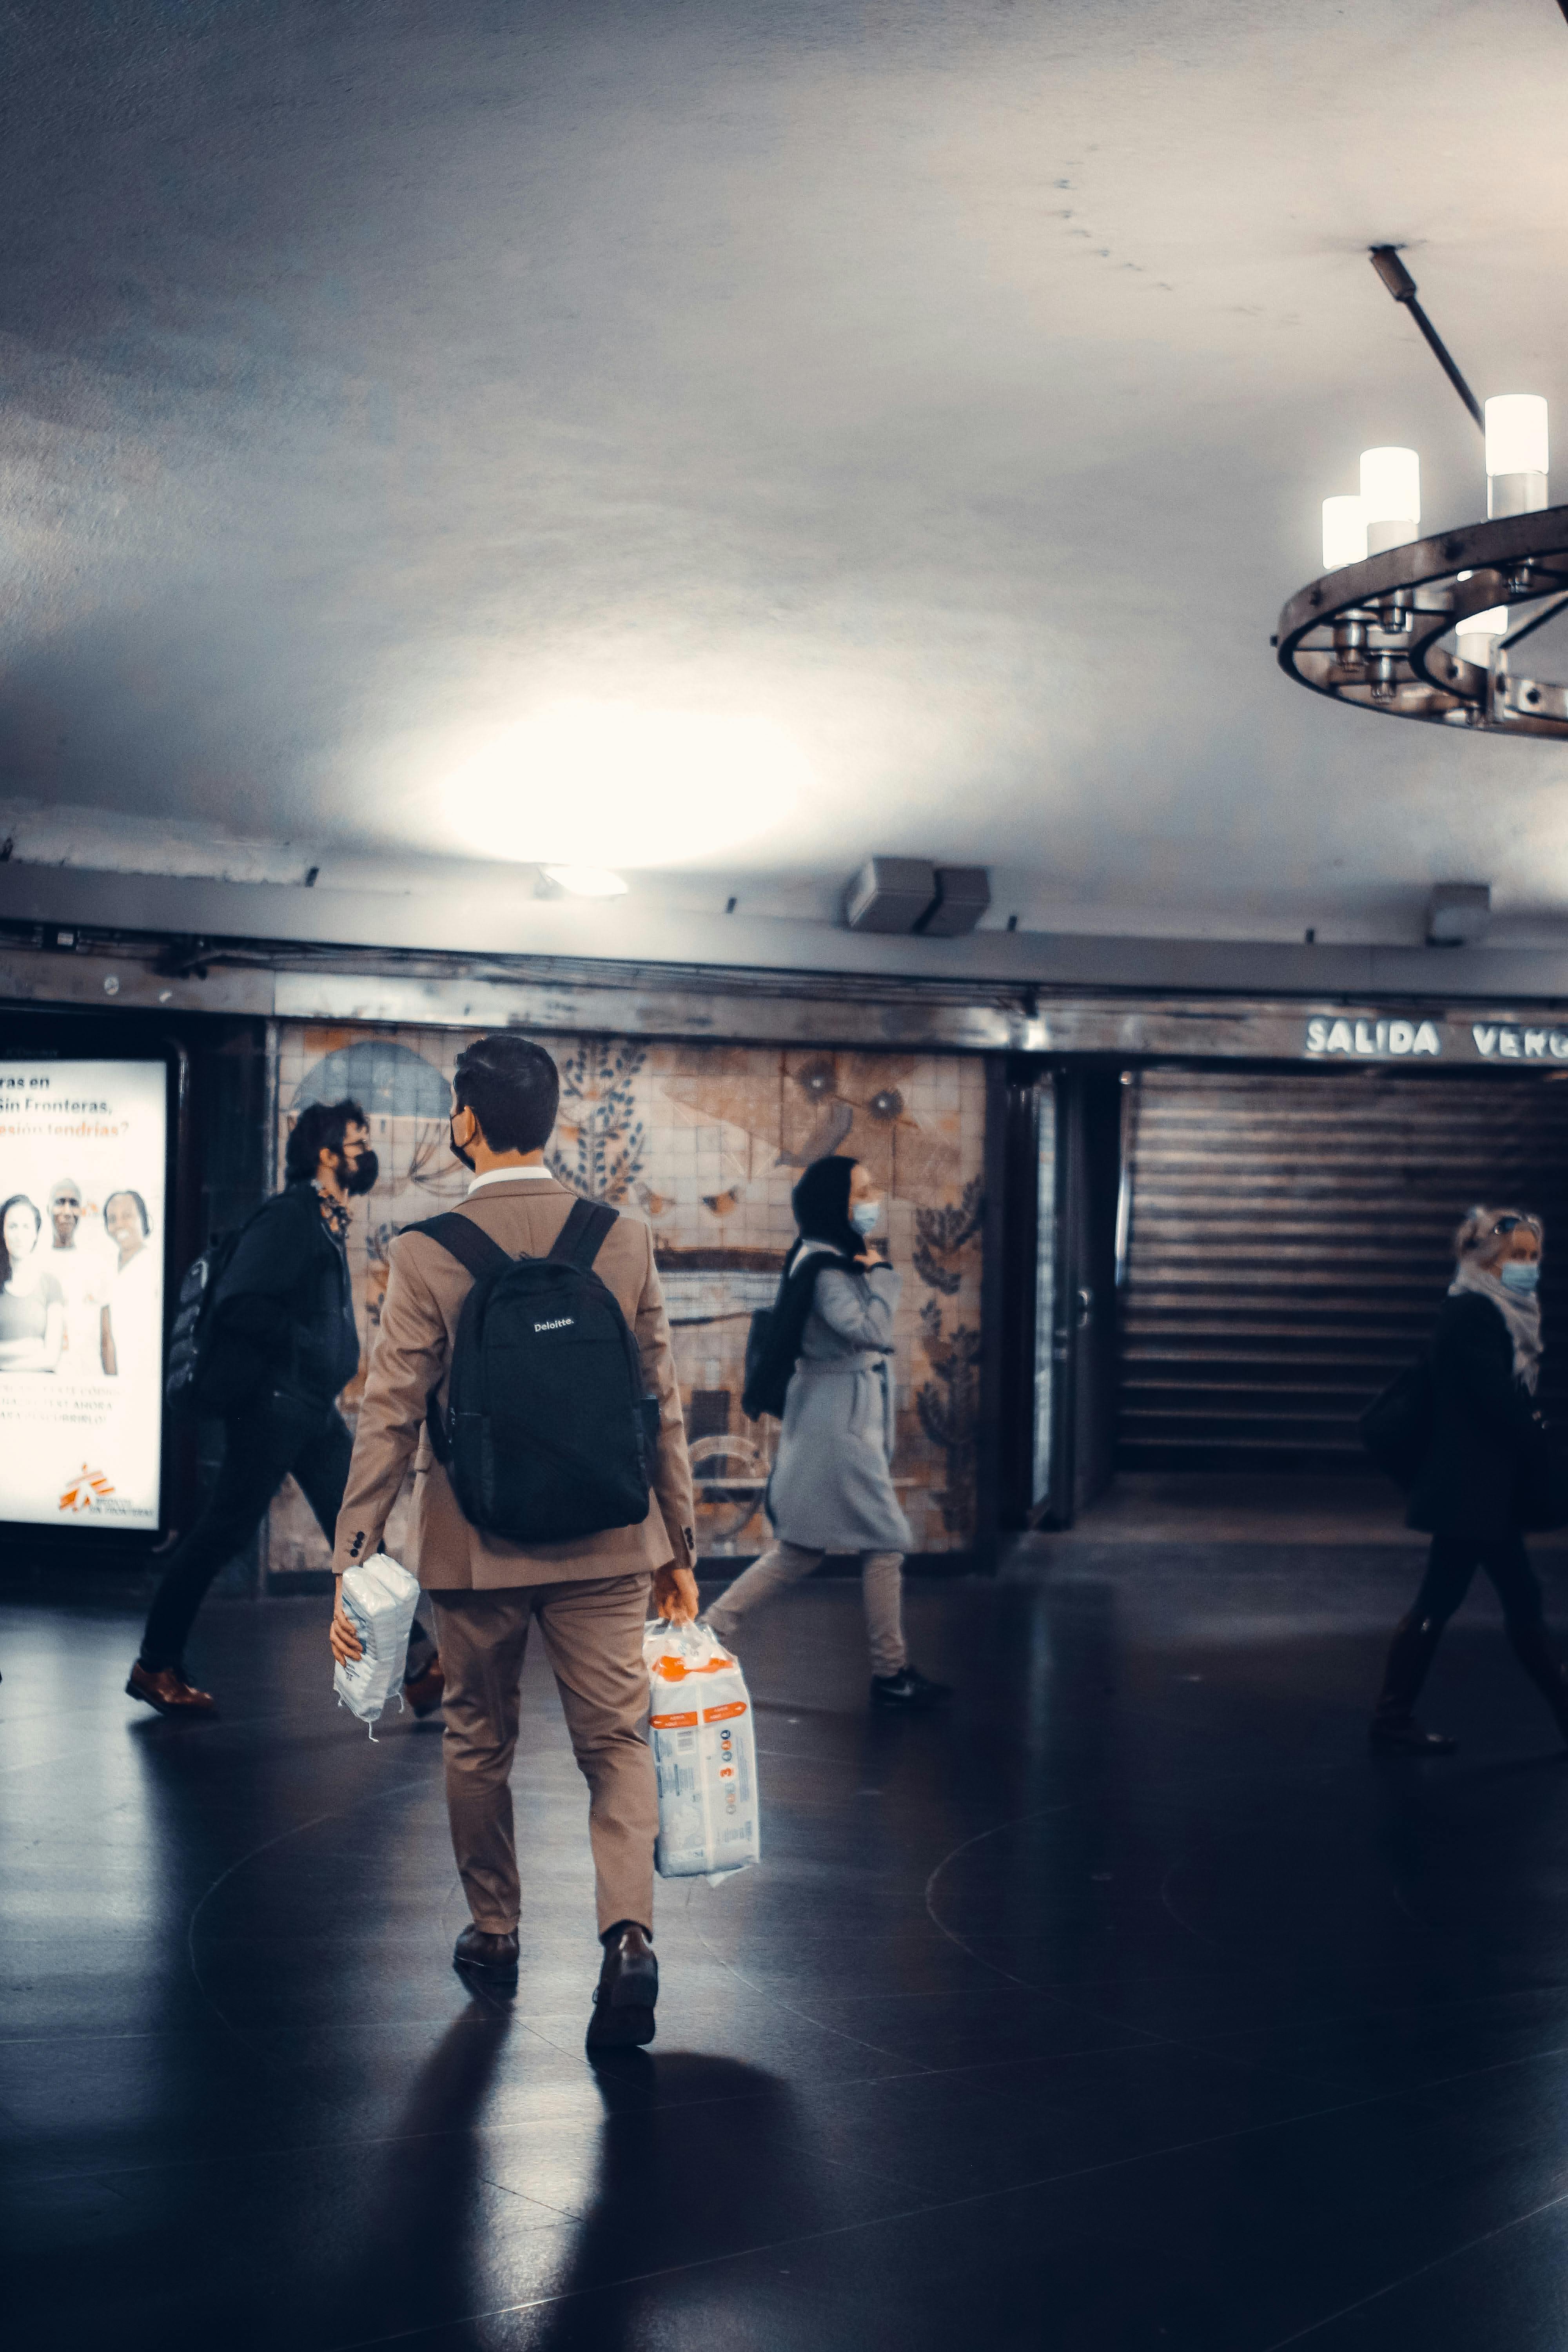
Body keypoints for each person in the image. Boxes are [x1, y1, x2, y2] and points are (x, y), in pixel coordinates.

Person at [327, 1031, 698, 2049]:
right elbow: (658, 1402)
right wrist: (679, 1547)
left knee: (479, 1740)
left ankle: (496, 1931)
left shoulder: (426, 1249)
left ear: (469, 1124)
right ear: (554, 1123)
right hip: (610, 1543)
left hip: (477, 1548)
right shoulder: (620, 1238)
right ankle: (628, 1938)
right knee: (616, 1743)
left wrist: (354, 1556)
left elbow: (391, 1415)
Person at [126, 1100, 386, 1716]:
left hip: (307, 1406)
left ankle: (424, 1667)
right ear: (326, 1155)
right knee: (223, 1532)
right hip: (276, 1407)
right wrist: (301, 1344)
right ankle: (155, 1664)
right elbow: (241, 1301)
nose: (367, 1153)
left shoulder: (324, 1218)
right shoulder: (292, 1217)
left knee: (356, 1529)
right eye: (358, 1142)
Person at [706, 1154, 952, 1710]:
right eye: (862, 1189)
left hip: (832, 1414)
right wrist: (884, 1275)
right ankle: (891, 1674)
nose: (872, 1198)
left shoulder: (822, 1258)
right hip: (837, 1424)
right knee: (884, 1540)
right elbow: (870, 1331)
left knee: (799, 1549)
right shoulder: (826, 1269)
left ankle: (709, 1632)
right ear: (833, 1202)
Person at [1371, 1205, 1568, 1756]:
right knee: (1489, 1600)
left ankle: (1392, 1718)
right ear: (1488, 1258)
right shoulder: (1473, 1313)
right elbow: (1495, 1401)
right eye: (1517, 1256)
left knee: (1497, 1598)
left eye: (1533, 1255)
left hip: (1480, 1491)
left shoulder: (1498, 1311)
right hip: (1471, 1489)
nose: (1529, 1266)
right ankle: (1390, 1719)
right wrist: (1534, 1428)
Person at [46, 1174, 109, 1370]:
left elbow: (107, 1339)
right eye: (60, 1203)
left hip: (89, 1379)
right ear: (49, 1208)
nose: (67, 1211)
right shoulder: (35, 1264)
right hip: (44, 1380)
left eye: (74, 1204)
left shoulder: (97, 1265)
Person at [0, 1194, 65, 1372]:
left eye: (26, 1227)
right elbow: (40, 1353)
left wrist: (4, 1363)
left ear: (36, 1233)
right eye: (13, 1227)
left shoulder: (51, 1285)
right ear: (3, 1231)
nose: (19, 1236)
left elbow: (51, 1358)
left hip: (40, 1395)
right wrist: (29, 1347)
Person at [100, 1189, 158, 1378]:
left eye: (127, 1216)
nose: (119, 1225)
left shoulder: (155, 1267)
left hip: (148, 1377)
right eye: (112, 1219)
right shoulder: (106, 1268)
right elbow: (106, 1337)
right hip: (115, 1382)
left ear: (144, 1219)